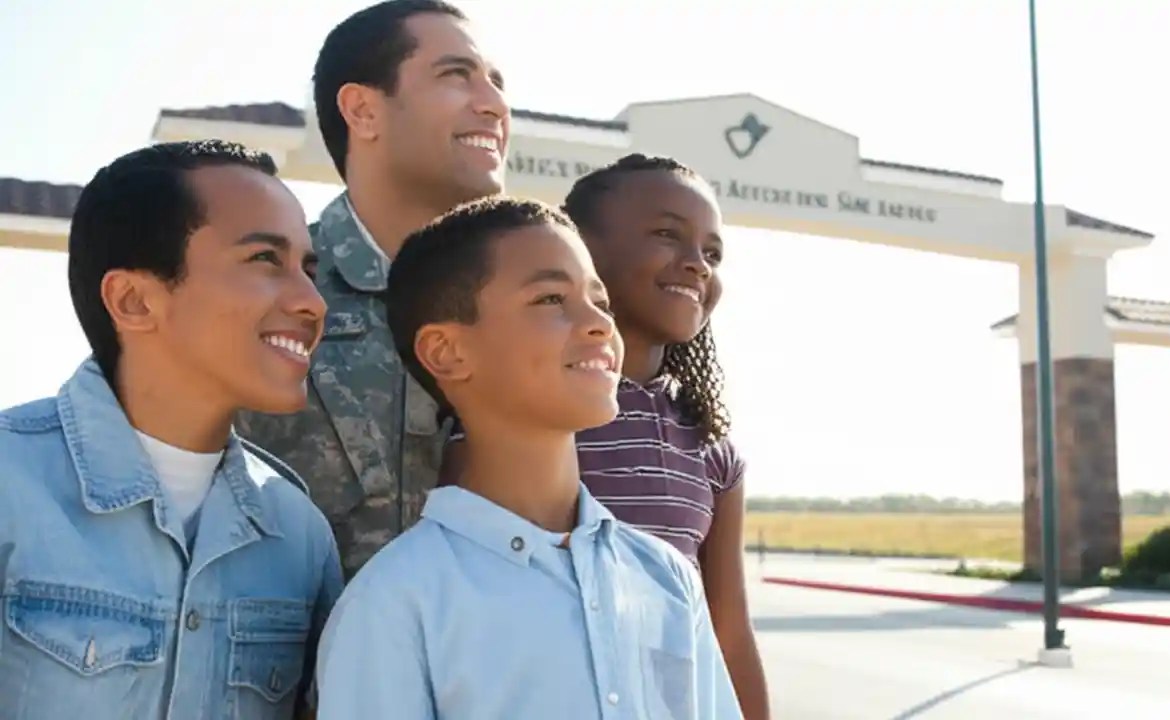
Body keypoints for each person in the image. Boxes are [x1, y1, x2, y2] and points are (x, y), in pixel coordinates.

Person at [314, 196, 743, 720]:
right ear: (447, 352)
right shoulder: (396, 603)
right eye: (549, 299)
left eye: (600, 302)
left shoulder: (667, 578)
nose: (598, 325)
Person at [0, 140, 343, 720]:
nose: (313, 303)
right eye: (265, 259)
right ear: (133, 300)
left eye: (309, 270)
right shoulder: (11, 483)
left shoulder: (299, 536)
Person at [442, 153, 771, 718]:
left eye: (712, 253)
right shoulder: (520, 412)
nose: (697, 265)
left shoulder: (711, 448)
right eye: (668, 235)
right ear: (579, 251)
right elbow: (456, 582)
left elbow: (730, 634)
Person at [235, 0, 511, 578]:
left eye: (496, 82)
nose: (494, 104)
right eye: (456, 75)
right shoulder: (257, 296)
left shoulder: (537, 311)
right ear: (363, 110)